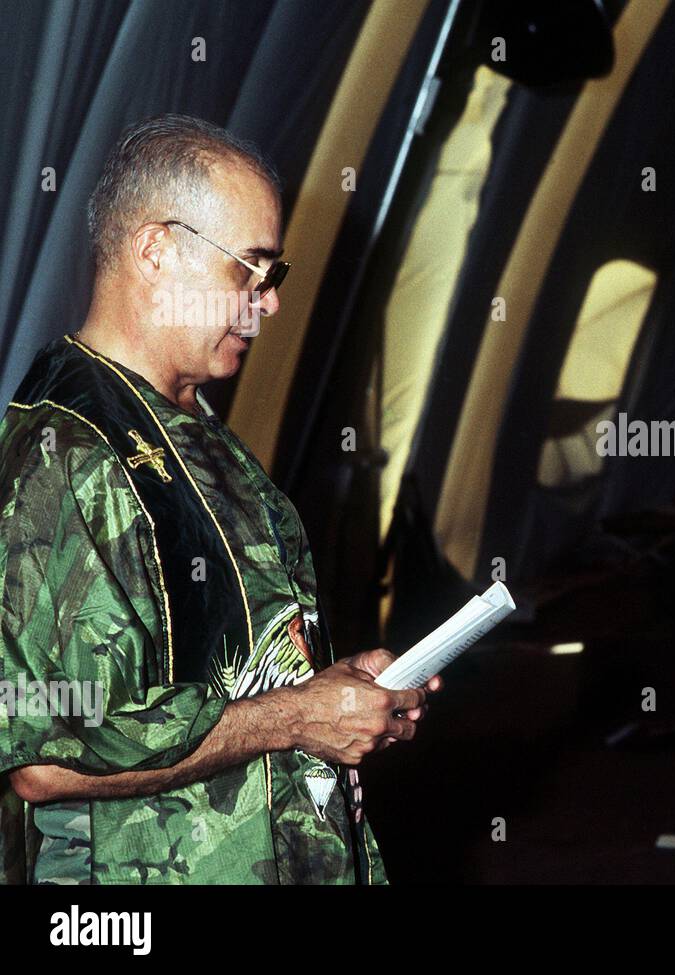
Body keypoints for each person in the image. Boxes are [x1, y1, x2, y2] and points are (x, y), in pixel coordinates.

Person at [0, 115, 439, 884]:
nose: (266, 304)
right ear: (156, 252)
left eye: (275, 277)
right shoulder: (63, 451)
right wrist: (296, 717)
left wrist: (333, 692)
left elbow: (233, 663)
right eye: (250, 270)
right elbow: (43, 755)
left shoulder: (190, 425)